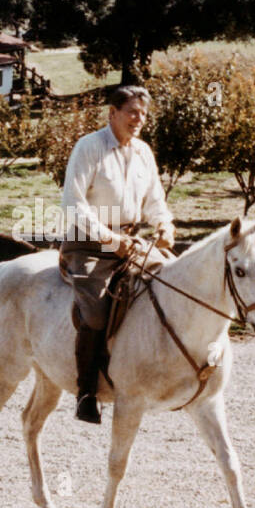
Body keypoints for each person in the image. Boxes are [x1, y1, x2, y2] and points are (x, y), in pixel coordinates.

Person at [60, 84, 175, 423]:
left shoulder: (143, 152)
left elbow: (155, 201)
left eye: (143, 113)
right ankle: (86, 393)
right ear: (112, 114)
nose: (138, 119)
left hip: (131, 242)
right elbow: (74, 204)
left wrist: (164, 225)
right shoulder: (89, 147)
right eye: (131, 112)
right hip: (89, 244)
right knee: (95, 313)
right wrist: (110, 239)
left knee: (170, 286)